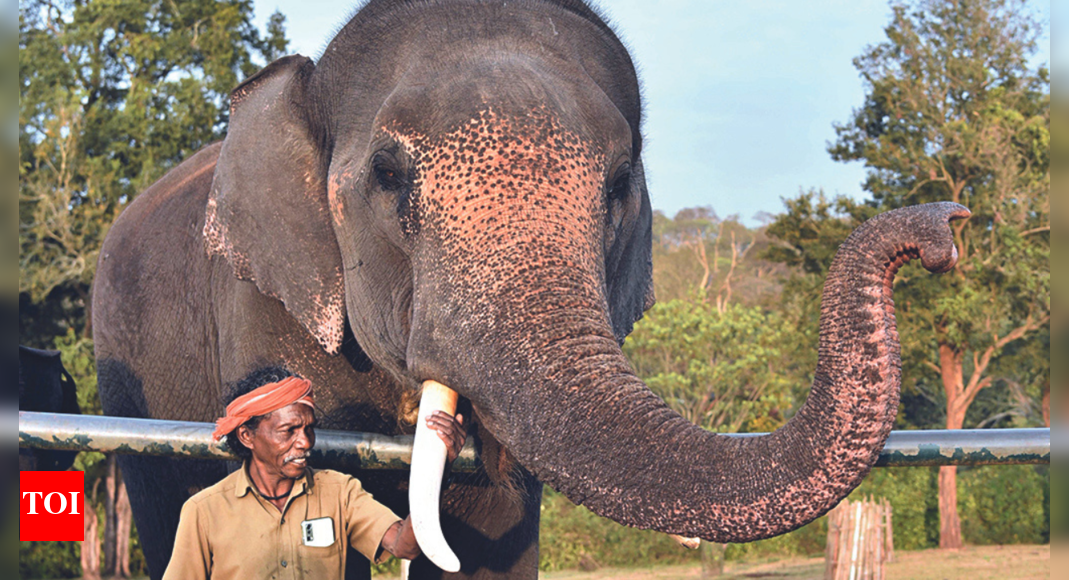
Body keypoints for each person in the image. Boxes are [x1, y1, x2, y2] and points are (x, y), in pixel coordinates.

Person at [162, 367, 466, 580]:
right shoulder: (204, 512)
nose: (305, 441)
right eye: (288, 431)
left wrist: (441, 463)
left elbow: (405, 545)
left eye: (309, 428)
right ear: (246, 436)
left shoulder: (340, 492)